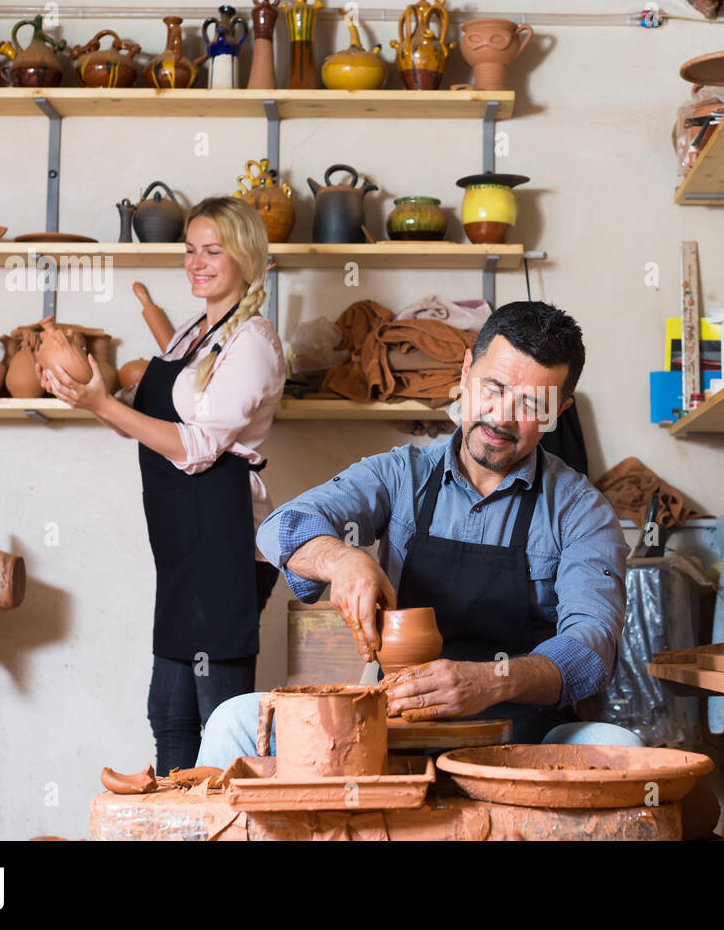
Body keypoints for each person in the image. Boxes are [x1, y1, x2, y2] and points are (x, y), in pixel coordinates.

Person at [197, 301, 635, 768]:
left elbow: (592, 645)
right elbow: (282, 526)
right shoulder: (400, 474)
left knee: (622, 748)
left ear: (559, 411)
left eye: (531, 404)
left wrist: (491, 681)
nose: (501, 418)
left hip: (521, 739)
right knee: (233, 719)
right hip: (394, 723)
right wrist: (342, 561)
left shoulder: (580, 509)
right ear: (467, 370)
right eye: (493, 387)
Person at [40, 196, 287, 773]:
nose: (197, 263)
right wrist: (95, 399)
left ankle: (228, 832)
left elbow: (199, 449)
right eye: (190, 250)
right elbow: (148, 427)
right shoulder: (191, 333)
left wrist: (104, 402)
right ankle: (175, 830)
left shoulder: (252, 341)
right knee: (168, 715)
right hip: (184, 541)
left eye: (213, 251)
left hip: (227, 544)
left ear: (246, 257)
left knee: (221, 721)